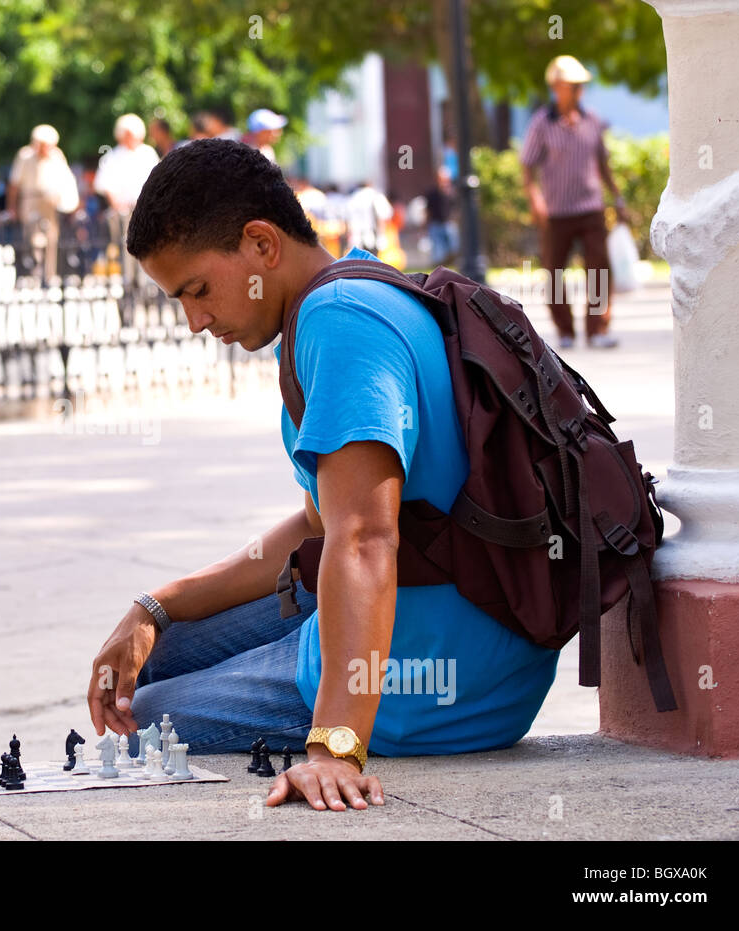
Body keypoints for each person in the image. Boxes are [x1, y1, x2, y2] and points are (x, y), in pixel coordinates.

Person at [87, 140, 559, 812]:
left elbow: (366, 537)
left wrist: (333, 748)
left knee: (145, 717)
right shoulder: (355, 285)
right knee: (150, 656)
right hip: (461, 631)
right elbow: (321, 523)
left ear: (261, 244)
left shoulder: (339, 325)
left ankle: (346, 710)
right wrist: (155, 607)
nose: (194, 320)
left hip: (437, 676)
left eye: (197, 289)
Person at [521, 55, 629, 350]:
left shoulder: (592, 120)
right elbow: (527, 166)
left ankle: (597, 330)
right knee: (555, 273)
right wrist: (536, 201)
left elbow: (603, 164)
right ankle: (565, 330)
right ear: (557, 87)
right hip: (556, 213)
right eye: (573, 84)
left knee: (598, 271)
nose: (579, 89)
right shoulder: (542, 123)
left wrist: (618, 198)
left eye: (581, 85)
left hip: (591, 209)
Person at [94, 114, 160, 292]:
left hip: (145, 209)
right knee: (127, 248)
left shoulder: (147, 153)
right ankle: (129, 284)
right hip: (124, 212)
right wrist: (117, 204)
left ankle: (148, 284)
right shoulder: (113, 156)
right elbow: (105, 185)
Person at [7, 124, 79, 282]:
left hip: (51, 203)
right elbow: (14, 184)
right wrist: (11, 207)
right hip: (31, 201)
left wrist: (71, 204)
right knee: (34, 239)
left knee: (51, 238)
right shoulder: (25, 156)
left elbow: (67, 181)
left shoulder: (56, 155)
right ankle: (35, 273)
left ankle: (48, 276)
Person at [346, 180, 394, 255]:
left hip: (357, 234)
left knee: (361, 261)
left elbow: (347, 218)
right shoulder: (376, 196)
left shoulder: (352, 197)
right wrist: (381, 234)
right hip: (373, 233)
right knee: (374, 260)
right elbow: (383, 216)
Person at [424, 167, 459, 266]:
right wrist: (426, 225)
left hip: (448, 223)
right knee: (438, 250)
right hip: (435, 224)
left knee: (453, 247)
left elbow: (455, 208)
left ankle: (450, 264)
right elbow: (427, 210)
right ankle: (439, 266)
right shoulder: (431, 193)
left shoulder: (452, 193)